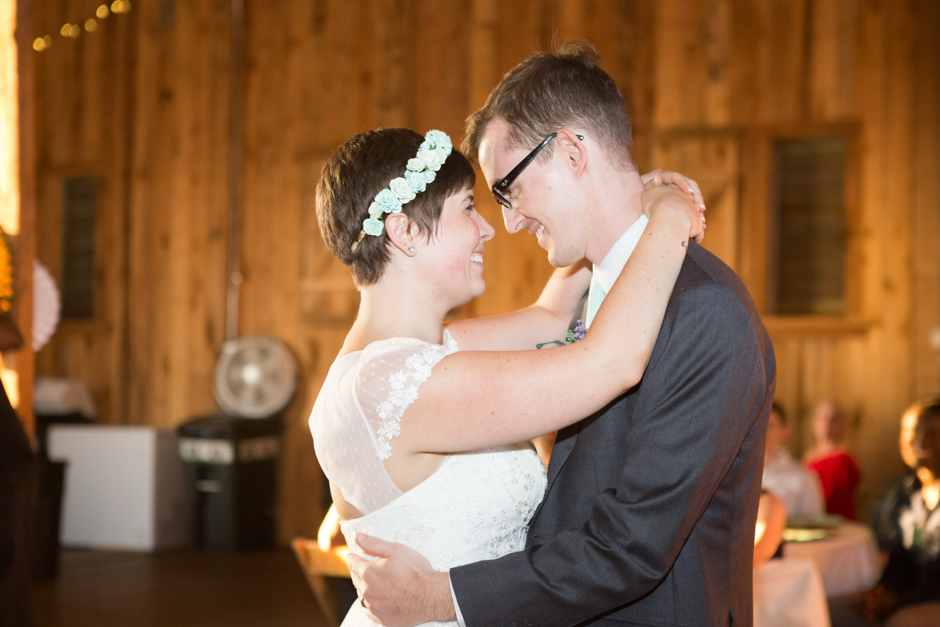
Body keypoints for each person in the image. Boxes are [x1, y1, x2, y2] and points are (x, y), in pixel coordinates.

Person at [348, 41, 776, 627]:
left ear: (572, 152)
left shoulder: (703, 309)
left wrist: (440, 597)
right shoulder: (598, 289)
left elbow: (633, 544)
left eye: (510, 188)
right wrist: (664, 207)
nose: (510, 222)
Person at [310, 122, 704, 627]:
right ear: (403, 231)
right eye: (468, 207)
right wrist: (670, 217)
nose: (488, 228)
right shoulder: (387, 386)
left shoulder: (426, 355)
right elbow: (609, 363)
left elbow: (554, 319)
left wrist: (622, 205)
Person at [828, 398, 940, 627]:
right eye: (912, 431)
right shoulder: (905, 493)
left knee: (902, 623)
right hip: (906, 597)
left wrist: (898, 601)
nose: (920, 439)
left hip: (928, 600)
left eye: (932, 431)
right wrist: (880, 595)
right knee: (827, 611)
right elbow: (899, 558)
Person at [762, 402, 825, 517]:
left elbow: (813, 526)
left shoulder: (804, 479)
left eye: (769, 426)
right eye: (758, 426)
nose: (762, 432)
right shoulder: (738, 474)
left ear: (785, 431)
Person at [805, 400, 862, 520]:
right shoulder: (808, 457)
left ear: (842, 424)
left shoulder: (844, 459)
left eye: (833, 419)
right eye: (822, 418)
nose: (827, 423)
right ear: (814, 423)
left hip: (838, 520)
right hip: (812, 519)